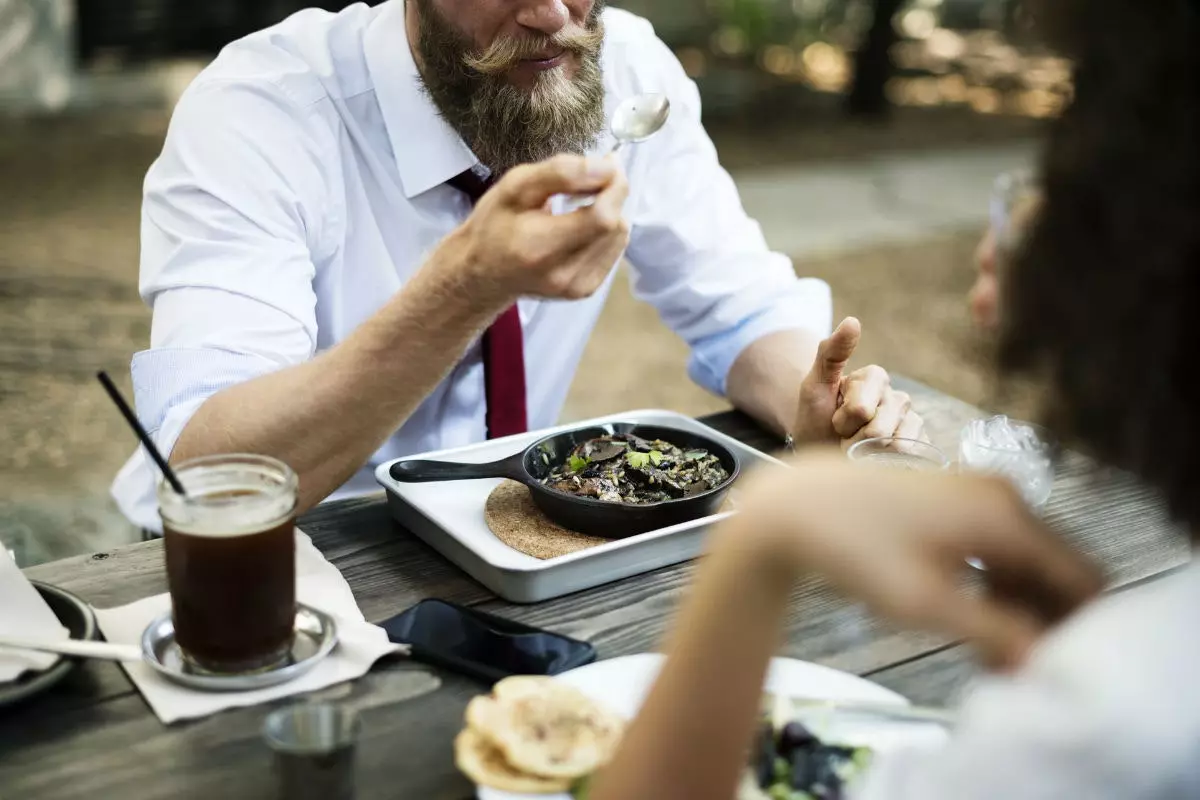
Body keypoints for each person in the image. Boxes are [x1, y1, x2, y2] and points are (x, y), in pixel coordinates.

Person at [587, 0, 1200, 797]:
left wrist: (765, 538)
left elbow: (736, 297)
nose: (996, 263)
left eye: (1067, 146)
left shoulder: (1106, 725)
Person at [110, 0, 923, 531]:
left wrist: (812, 402)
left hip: (520, 544)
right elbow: (205, 471)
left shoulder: (625, 70)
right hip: (271, 564)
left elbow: (739, 308)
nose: (552, 16)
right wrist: (465, 285)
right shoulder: (263, 110)